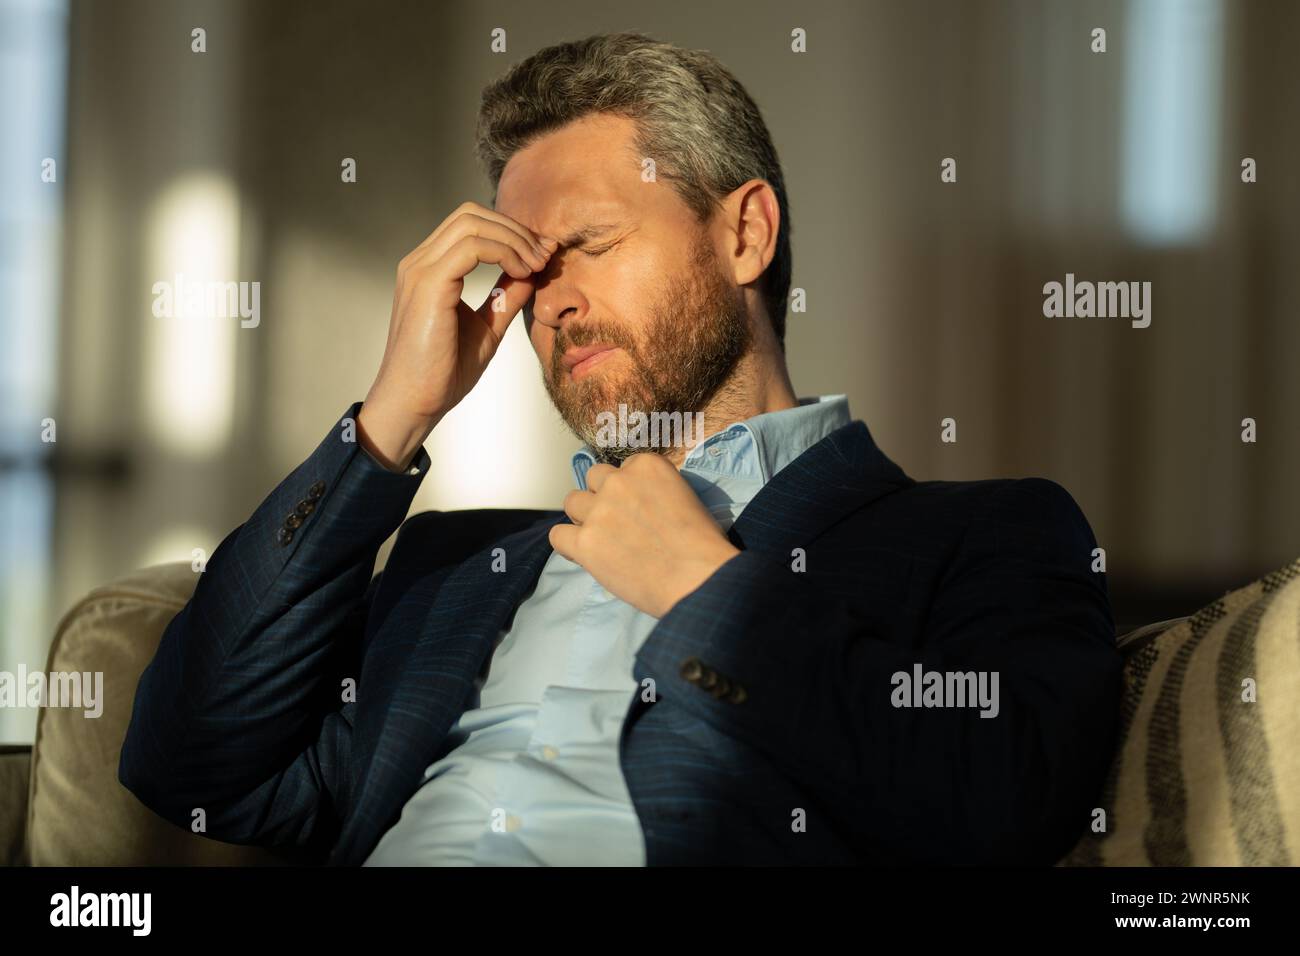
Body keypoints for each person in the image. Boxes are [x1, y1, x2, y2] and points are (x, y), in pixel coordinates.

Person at [119, 32, 1121, 866]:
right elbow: (193, 764)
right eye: (525, 269)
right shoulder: (451, 569)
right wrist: (392, 414)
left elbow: (1010, 801)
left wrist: (710, 598)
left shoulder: (980, 532)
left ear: (744, 235)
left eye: (590, 242)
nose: (552, 299)